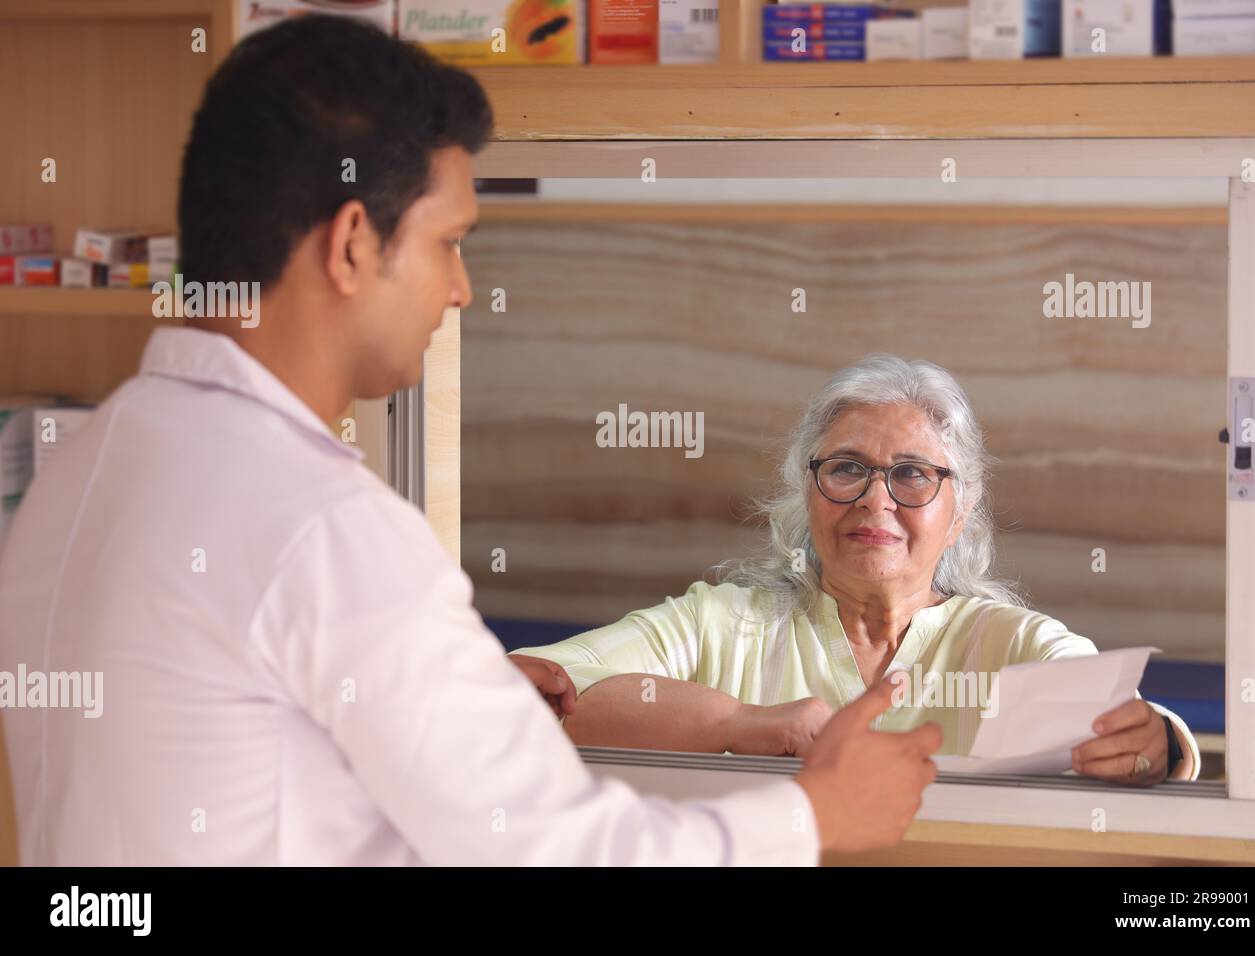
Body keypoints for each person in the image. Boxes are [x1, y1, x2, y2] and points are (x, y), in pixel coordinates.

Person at [0, 15, 940, 866]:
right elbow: (552, 853)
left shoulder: (81, 466)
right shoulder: (323, 526)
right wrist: (814, 817)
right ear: (354, 243)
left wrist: (459, 696)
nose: (460, 290)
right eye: (450, 241)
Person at [511, 354, 1201, 786]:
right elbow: (528, 695)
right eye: (847, 468)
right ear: (806, 490)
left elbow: (1116, 713)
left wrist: (1159, 741)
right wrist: (739, 723)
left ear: (960, 511)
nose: (876, 499)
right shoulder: (722, 622)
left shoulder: (1007, 642)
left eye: (911, 474)